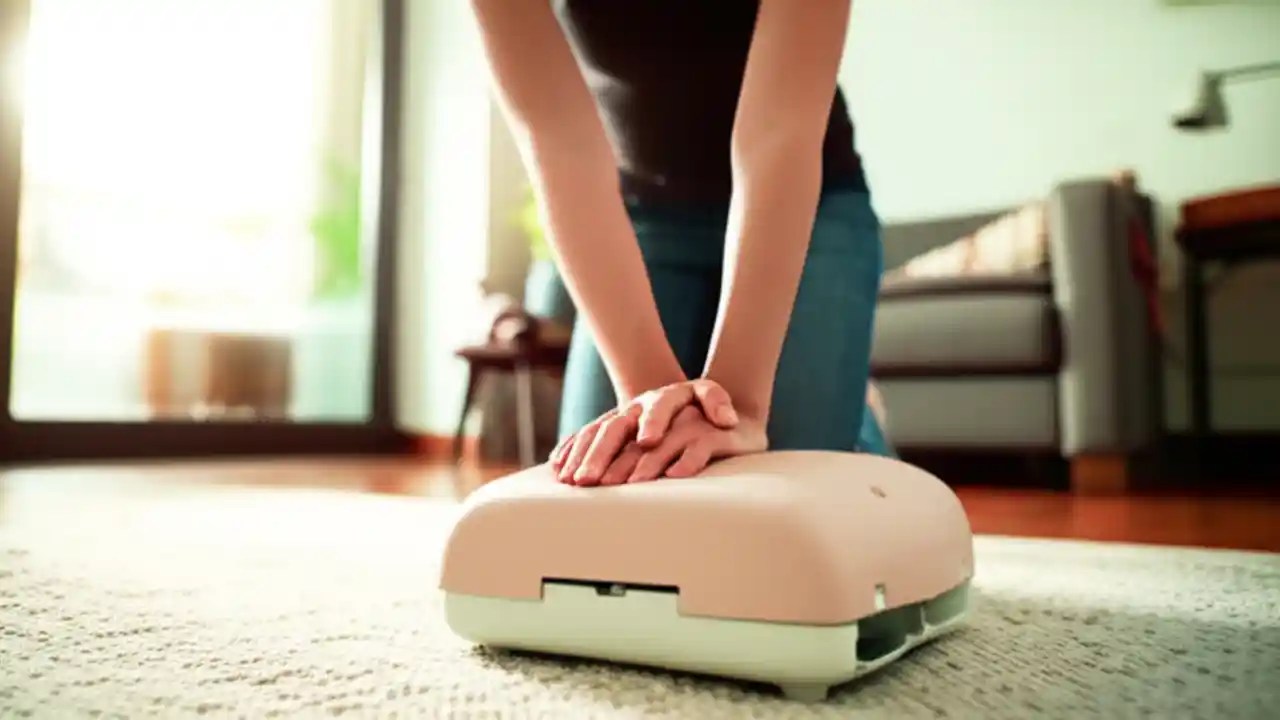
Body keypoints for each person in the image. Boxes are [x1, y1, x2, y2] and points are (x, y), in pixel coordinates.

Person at [469, 0, 893, 487]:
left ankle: (857, 422)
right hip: (646, 221)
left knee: (783, 479)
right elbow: (560, 144)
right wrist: (649, 404)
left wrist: (739, 405)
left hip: (815, 210)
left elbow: (779, 133)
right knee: (609, 485)